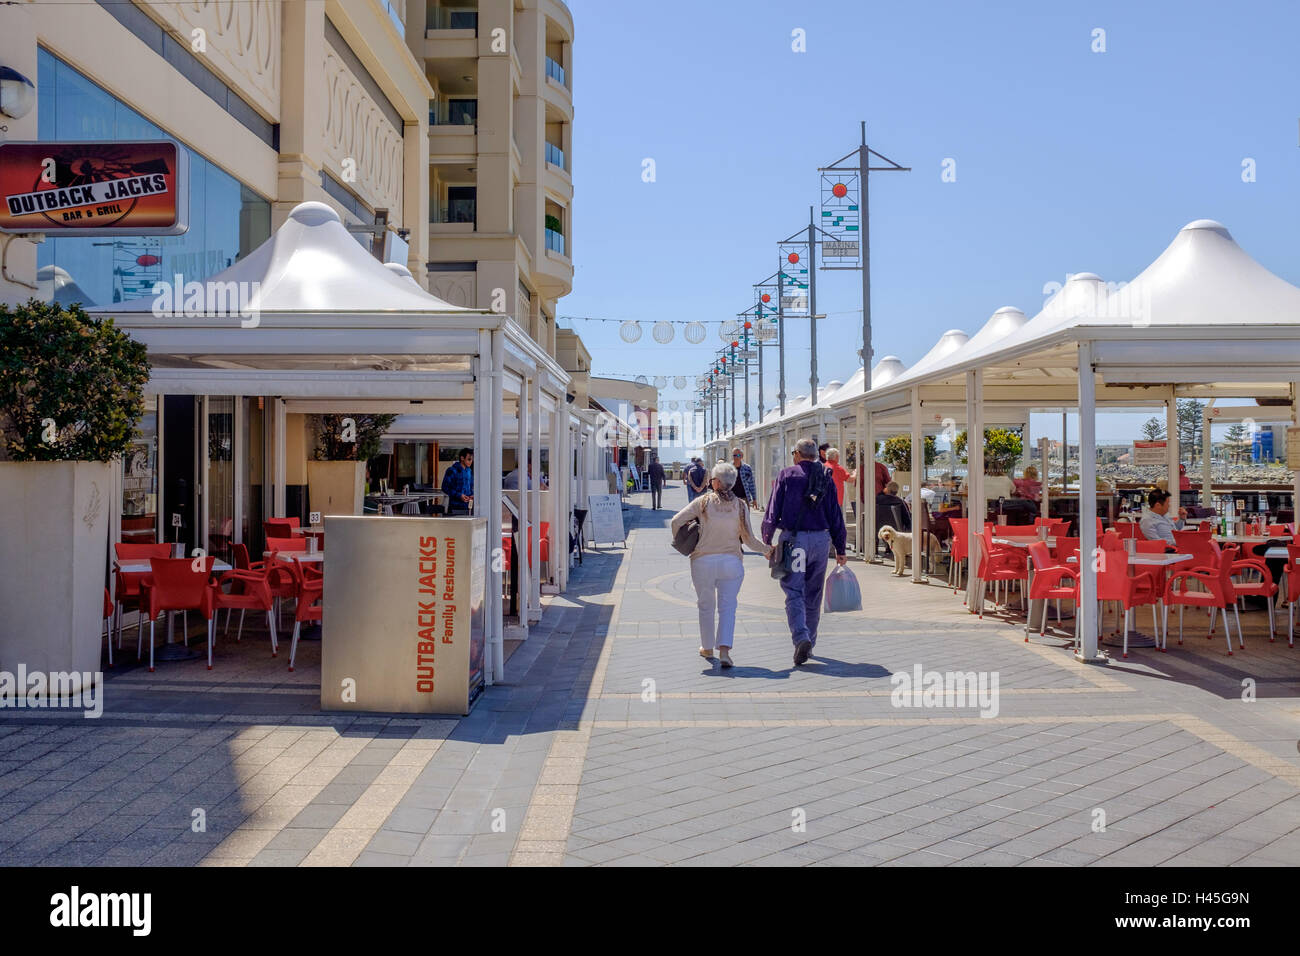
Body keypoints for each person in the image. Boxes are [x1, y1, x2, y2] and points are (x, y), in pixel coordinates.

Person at [671, 462, 770, 669]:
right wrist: (767, 550)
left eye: (712, 479)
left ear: (716, 482)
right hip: (731, 562)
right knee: (728, 607)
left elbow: (676, 521)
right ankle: (724, 651)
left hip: (703, 561)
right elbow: (749, 539)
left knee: (705, 605)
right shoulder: (741, 506)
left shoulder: (704, 502)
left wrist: (682, 542)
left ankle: (707, 647)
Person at [762, 438, 848, 666]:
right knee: (814, 592)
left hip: (794, 540)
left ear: (798, 454)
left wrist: (766, 540)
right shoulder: (825, 476)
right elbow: (835, 514)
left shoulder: (787, 475)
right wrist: (840, 547)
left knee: (793, 590)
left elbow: (773, 509)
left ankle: (801, 637)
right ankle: (810, 642)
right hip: (821, 540)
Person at [440, 448, 474, 515]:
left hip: (468, 506)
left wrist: (472, 494)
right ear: (462, 458)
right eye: (469, 459)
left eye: (472, 459)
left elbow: (471, 487)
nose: (471, 461)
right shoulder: (452, 470)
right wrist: (459, 495)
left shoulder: (469, 471)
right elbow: (445, 487)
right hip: (455, 506)